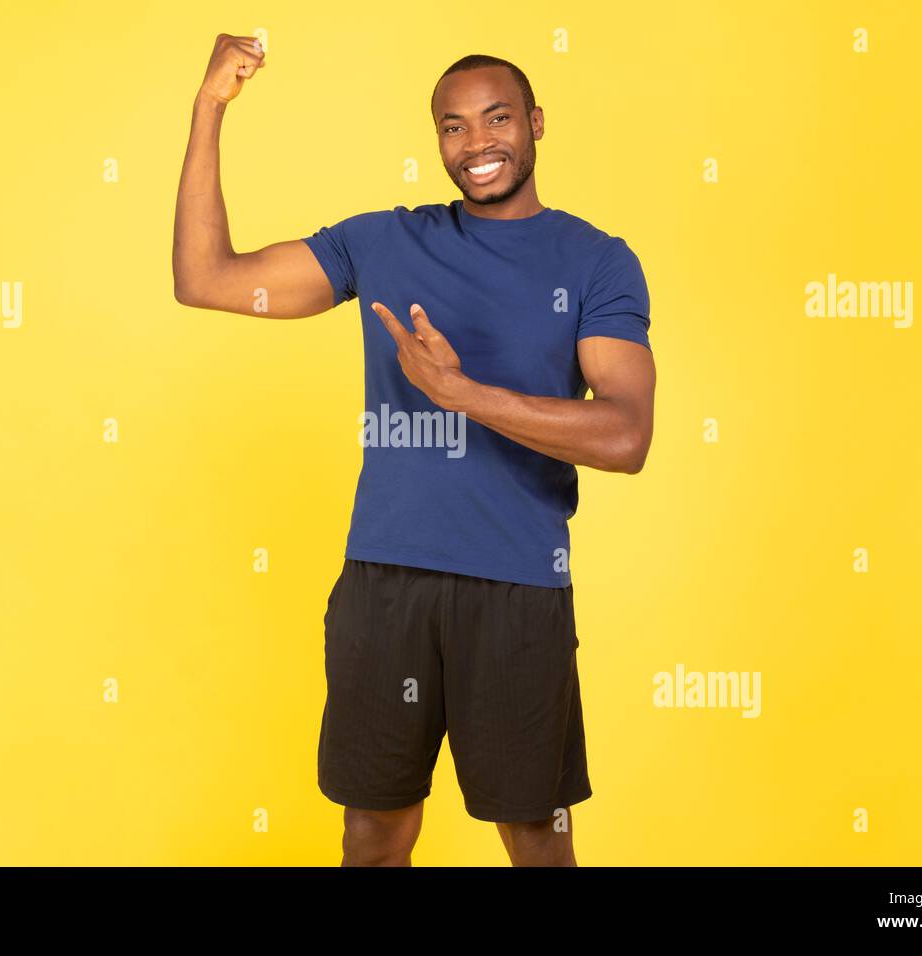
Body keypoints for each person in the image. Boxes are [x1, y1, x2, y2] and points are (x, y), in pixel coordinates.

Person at [173, 34, 656, 866]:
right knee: (374, 831)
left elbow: (625, 435)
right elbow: (206, 278)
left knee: (537, 834)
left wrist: (462, 394)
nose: (477, 144)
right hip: (384, 581)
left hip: (516, 584)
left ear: (536, 123)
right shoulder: (385, 242)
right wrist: (209, 106)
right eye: (454, 128)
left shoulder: (597, 261)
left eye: (497, 119)